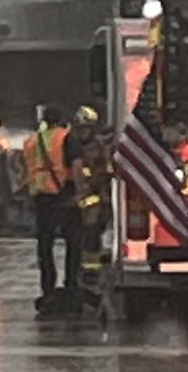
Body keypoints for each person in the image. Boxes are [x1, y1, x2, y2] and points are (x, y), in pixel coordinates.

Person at [23, 105, 81, 313]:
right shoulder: (66, 138)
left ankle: (47, 288)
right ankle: (71, 285)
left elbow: (26, 169)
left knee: (45, 246)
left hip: (41, 198)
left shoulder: (32, 141)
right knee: (73, 244)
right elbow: (76, 166)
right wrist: (79, 193)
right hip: (64, 196)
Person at [68, 106, 112, 288]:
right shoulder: (71, 146)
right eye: (79, 129)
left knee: (91, 235)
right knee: (77, 240)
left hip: (94, 199)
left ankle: (91, 273)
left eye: (85, 129)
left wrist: (90, 187)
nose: (82, 133)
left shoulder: (99, 147)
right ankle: (80, 274)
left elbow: (102, 172)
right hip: (75, 201)